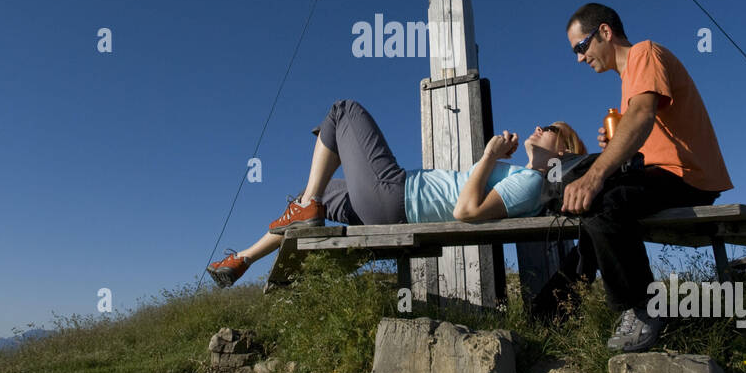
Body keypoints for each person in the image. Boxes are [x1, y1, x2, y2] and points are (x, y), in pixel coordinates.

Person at [206, 99, 586, 287]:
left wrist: (488, 155)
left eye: (550, 127)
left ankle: (310, 201)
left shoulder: (533, 182)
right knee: (313, 193)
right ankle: (243, 259)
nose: (539, 126)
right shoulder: (523, 178)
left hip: (397, 196)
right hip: (389, 201)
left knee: (342, 111)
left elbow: (466, 211)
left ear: (563, 149)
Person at [563, 2, 733, 353]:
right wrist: (613, 143)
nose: (580, 58)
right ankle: (566, 303)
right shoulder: (629, 81)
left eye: (582, 47)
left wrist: (596, 175)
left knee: (602, 198)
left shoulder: (644, 53)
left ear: (605, 33)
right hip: (663, 174)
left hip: (687, 176)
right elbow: (641, 126)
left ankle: (642, 309)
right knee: (580, 196)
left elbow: (642, 114)